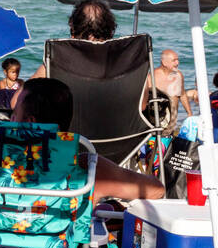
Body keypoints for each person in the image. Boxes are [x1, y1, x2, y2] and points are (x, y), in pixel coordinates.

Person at [10, 78, 165, 204]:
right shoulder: (85, 166)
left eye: (14, 113)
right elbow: (157, 190)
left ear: (30, 122)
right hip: (62, 242)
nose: (10, 119)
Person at [29, 0, 117, 83]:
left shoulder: (60, 60)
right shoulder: (123, 60)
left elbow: (21, 95)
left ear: (73, 32)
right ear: (111, 33)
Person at [151, 48, 192, 118]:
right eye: (174, 60)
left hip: (173, 119)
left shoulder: (178, 75)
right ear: (164, 63)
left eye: (178, 60)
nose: (177, 63)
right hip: (158, 118)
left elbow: (182, 95)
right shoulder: (152, 77)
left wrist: (189, 113)